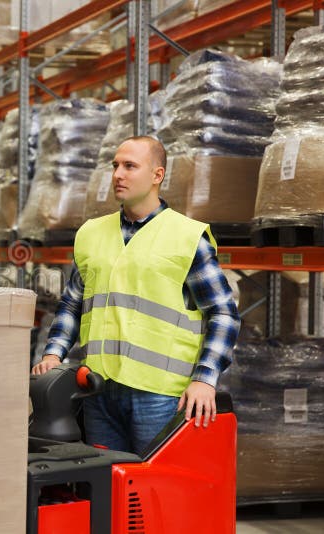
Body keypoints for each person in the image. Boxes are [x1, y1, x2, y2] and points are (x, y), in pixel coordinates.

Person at [31, 136, 240, 455]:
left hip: (159, 396)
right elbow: (73, 304)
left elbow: (223, 313)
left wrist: (205, 379)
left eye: (130, 166)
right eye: (115, 165)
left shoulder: (187, 237)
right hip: (97, 390)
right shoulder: (91, 234)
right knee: (108, 478)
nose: (118, 174)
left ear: (157, 175)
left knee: (156, 482)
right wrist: (53, 354)